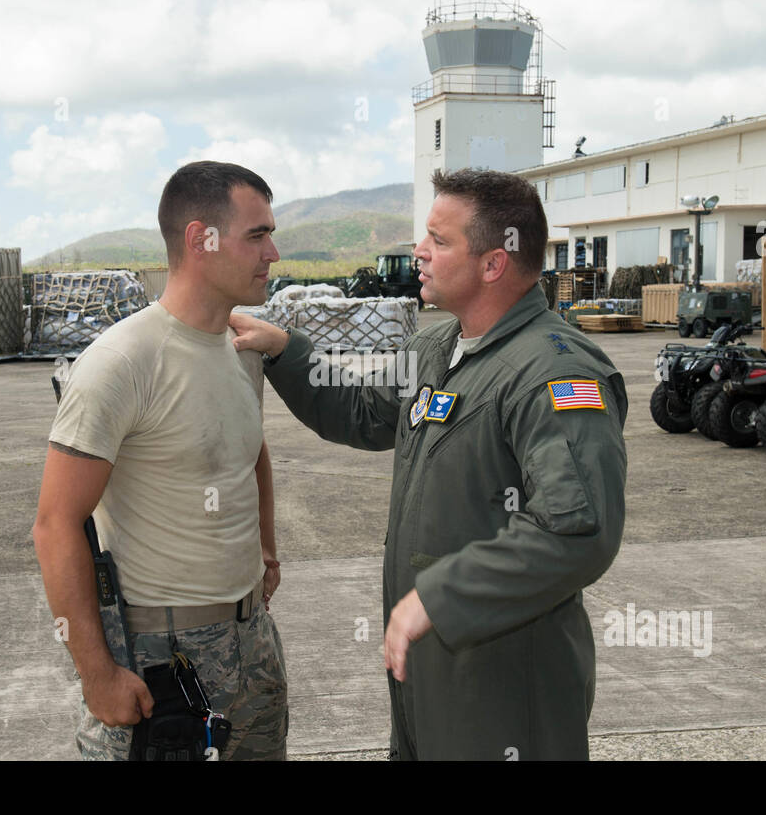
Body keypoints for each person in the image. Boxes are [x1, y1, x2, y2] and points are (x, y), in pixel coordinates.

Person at [229, 168, 627, 760]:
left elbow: (577, 527)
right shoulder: (437, 348)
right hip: (427, 666)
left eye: (439, 241)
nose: (419, 251)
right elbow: (362, 411)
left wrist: (442, 596)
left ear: (493, 264)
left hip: (502, 676)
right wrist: (286, 351)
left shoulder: (555, 372)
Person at [33, 161, 288, 760]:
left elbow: (251, 453)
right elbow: (55, 524)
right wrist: (98, 676)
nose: (273, 253)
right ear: (202, 238)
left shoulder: (241, 350)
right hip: (163, 660)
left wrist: (266, 549)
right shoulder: (121, 362)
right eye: (257, 235)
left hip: (253, 644)